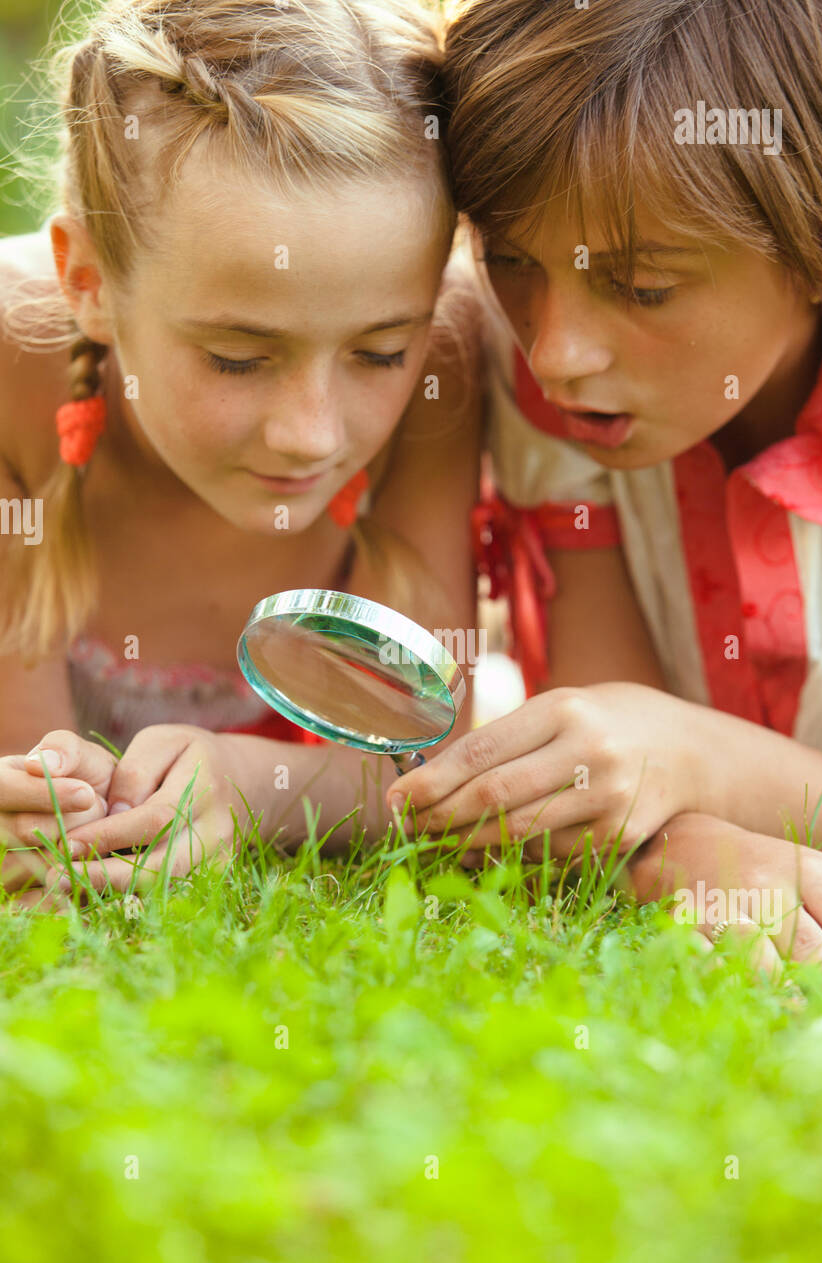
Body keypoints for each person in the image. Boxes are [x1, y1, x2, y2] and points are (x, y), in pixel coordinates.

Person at [389, 0, 822, 983]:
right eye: (510, 261)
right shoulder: (536, 386)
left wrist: (698, 761)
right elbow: (599, 741)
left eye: (642, 286)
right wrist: (677, 845)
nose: (555, 352)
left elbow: (646, 739)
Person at [0, 0, 480, 901]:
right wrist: (42, 801)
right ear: (87, 282)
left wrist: (255, 787)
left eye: (380, 352)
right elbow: (28, 797)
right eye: (237, 358)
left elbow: (430, 760)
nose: (313, 434)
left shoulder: (444, 368)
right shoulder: (8, 369)